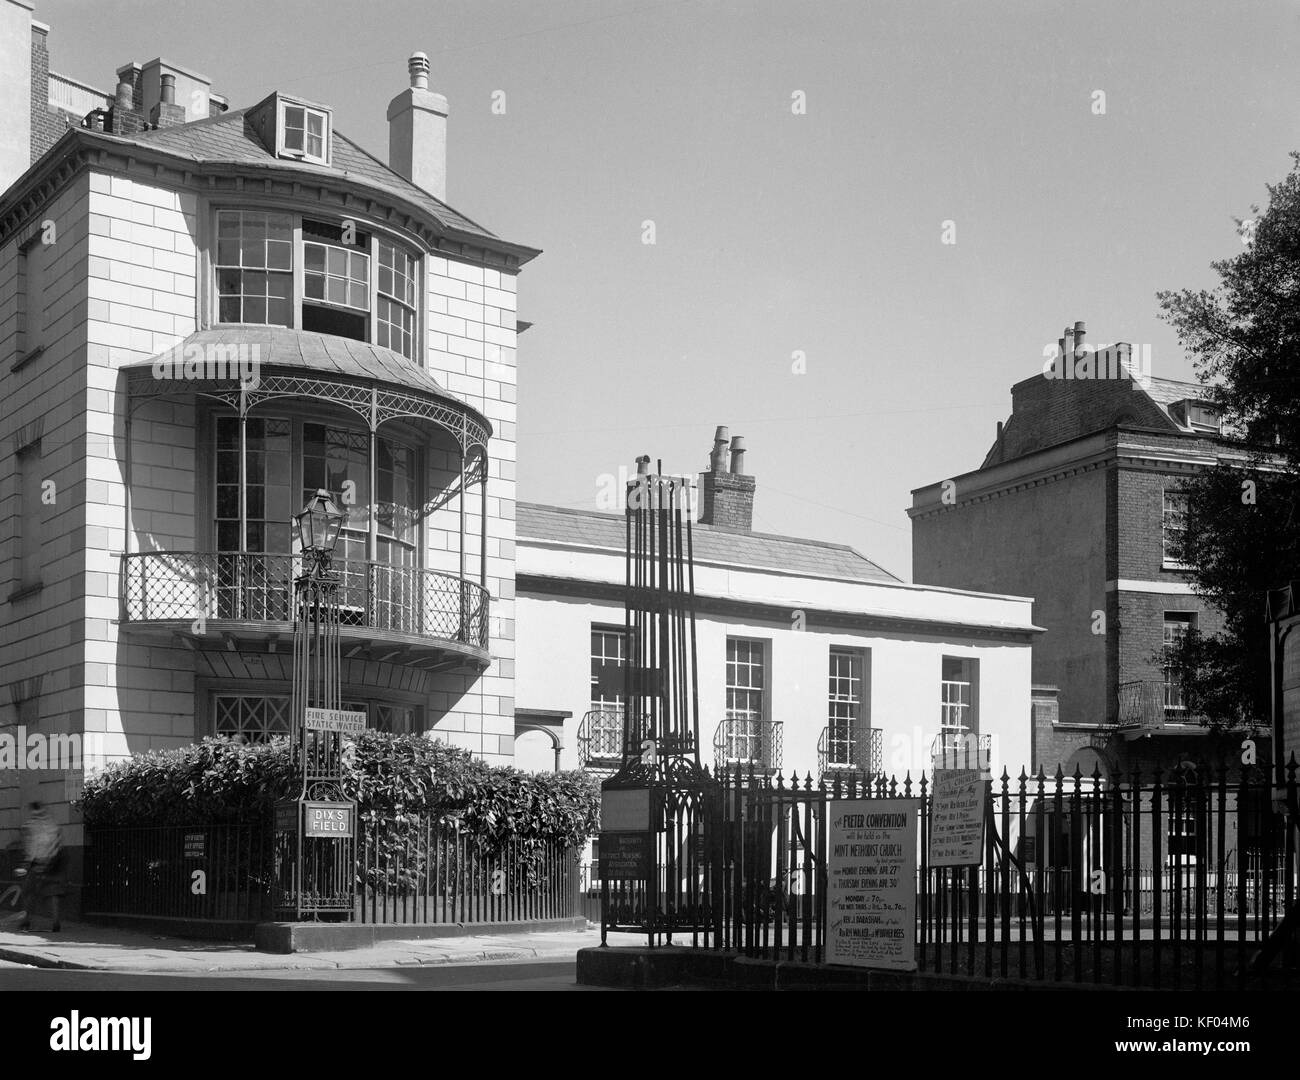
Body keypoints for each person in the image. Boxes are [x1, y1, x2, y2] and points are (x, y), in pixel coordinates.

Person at [16, 802, 62, 933]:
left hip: (37, 862)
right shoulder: (53, 825)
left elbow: (31, 847)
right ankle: (56, 922)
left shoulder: (31, 826)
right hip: (53, 863)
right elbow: (58, 844)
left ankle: (26, 921)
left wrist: (27, 864)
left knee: (28, 892)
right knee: (53, 893)